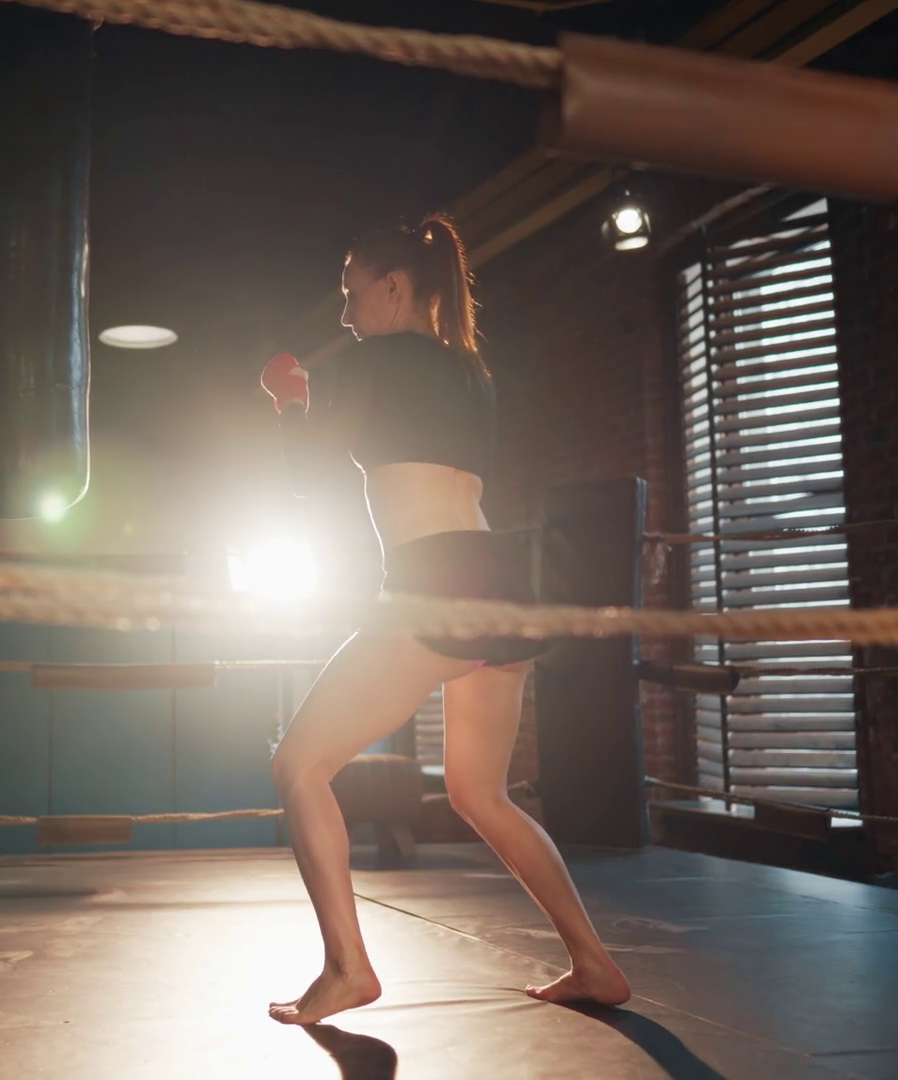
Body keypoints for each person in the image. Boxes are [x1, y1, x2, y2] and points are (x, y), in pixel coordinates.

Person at [258, 215, 631, 1026]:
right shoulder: (473, 374)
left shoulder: (377, 357)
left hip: (433, 583)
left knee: (297, 764)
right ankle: (594, 963)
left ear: (395, 286)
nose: (347, 313)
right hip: (502, 582)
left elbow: (301, 474)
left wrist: (289, 401)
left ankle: (346, 968)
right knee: (479, 793)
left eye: (354, 292)